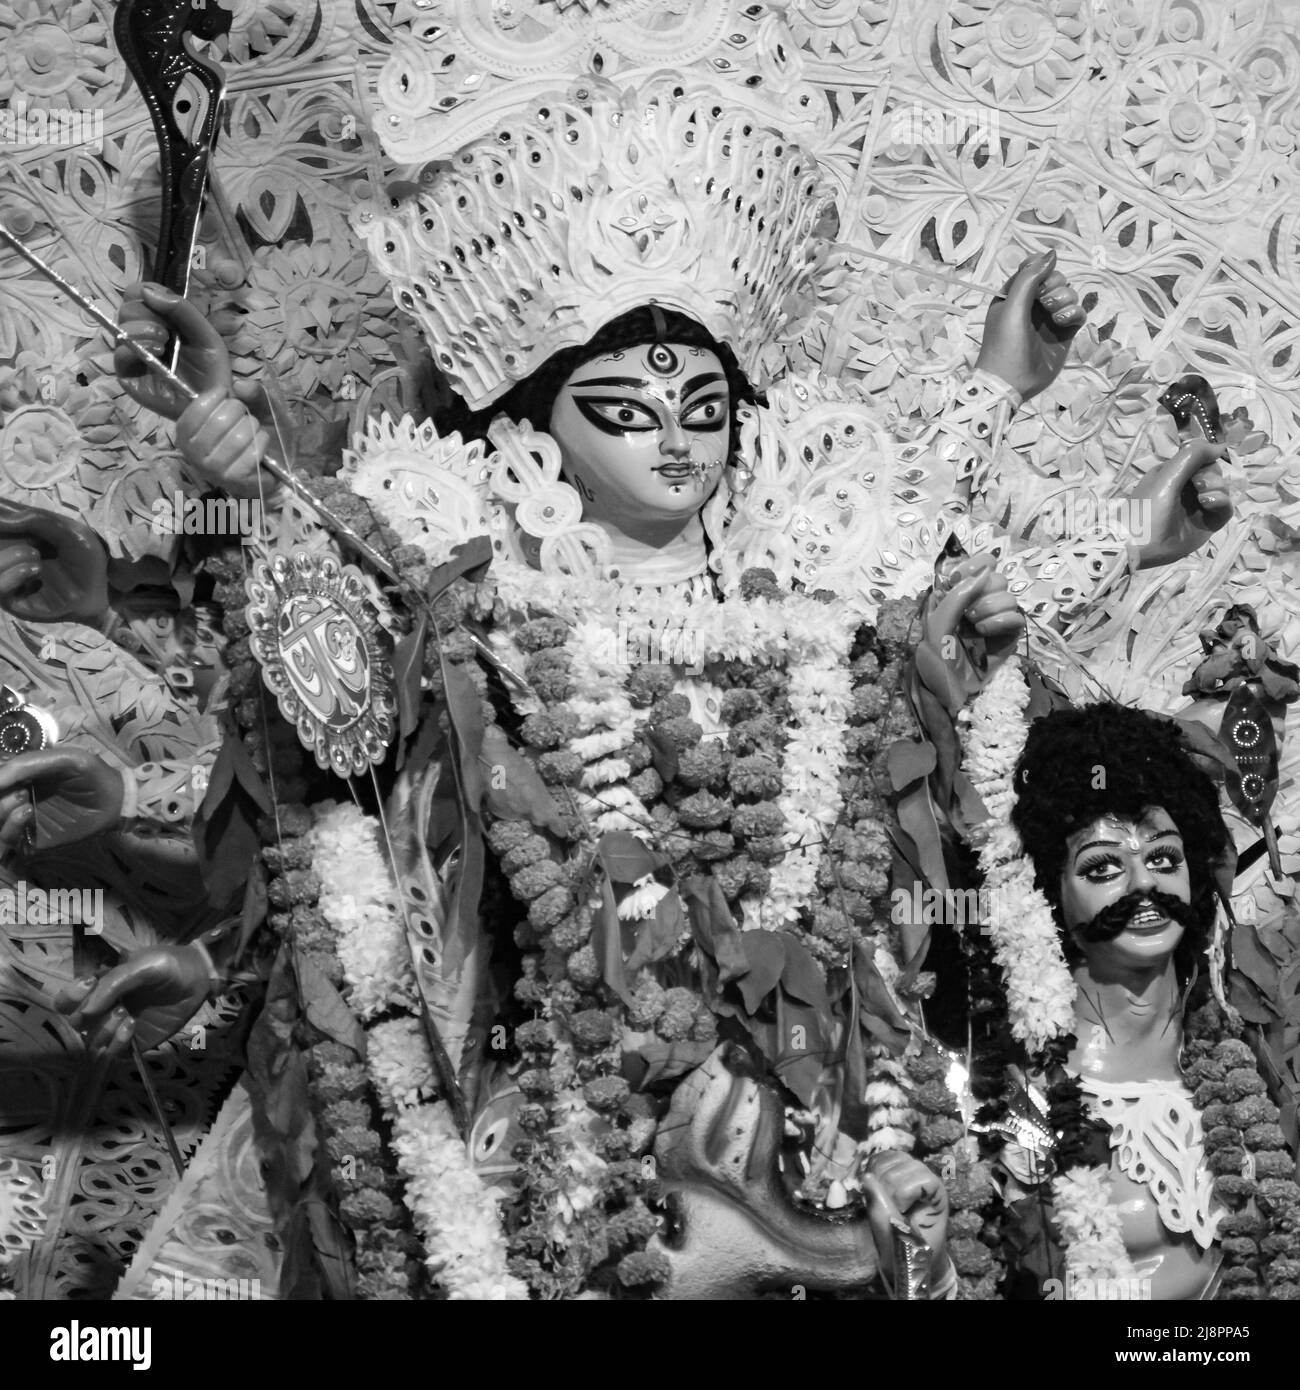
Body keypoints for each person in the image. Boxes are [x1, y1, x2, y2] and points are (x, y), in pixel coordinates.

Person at [100, 76, 1240, 1299]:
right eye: (625, 410)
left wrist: (1087, 489)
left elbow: (954, 616)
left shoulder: (812, 558)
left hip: (831, 1074)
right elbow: (331, 715)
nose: (673, 440)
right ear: (538, 418)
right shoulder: (470, 571)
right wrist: (242, 485)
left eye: (702, 407)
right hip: (572, 1088)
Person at [971, 701, 1298, 1299]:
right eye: (1103, 868)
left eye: (1163, 858)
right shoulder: (1023, 1092)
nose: (1144, 884)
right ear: (1050, 893)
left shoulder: (1245, 1054)